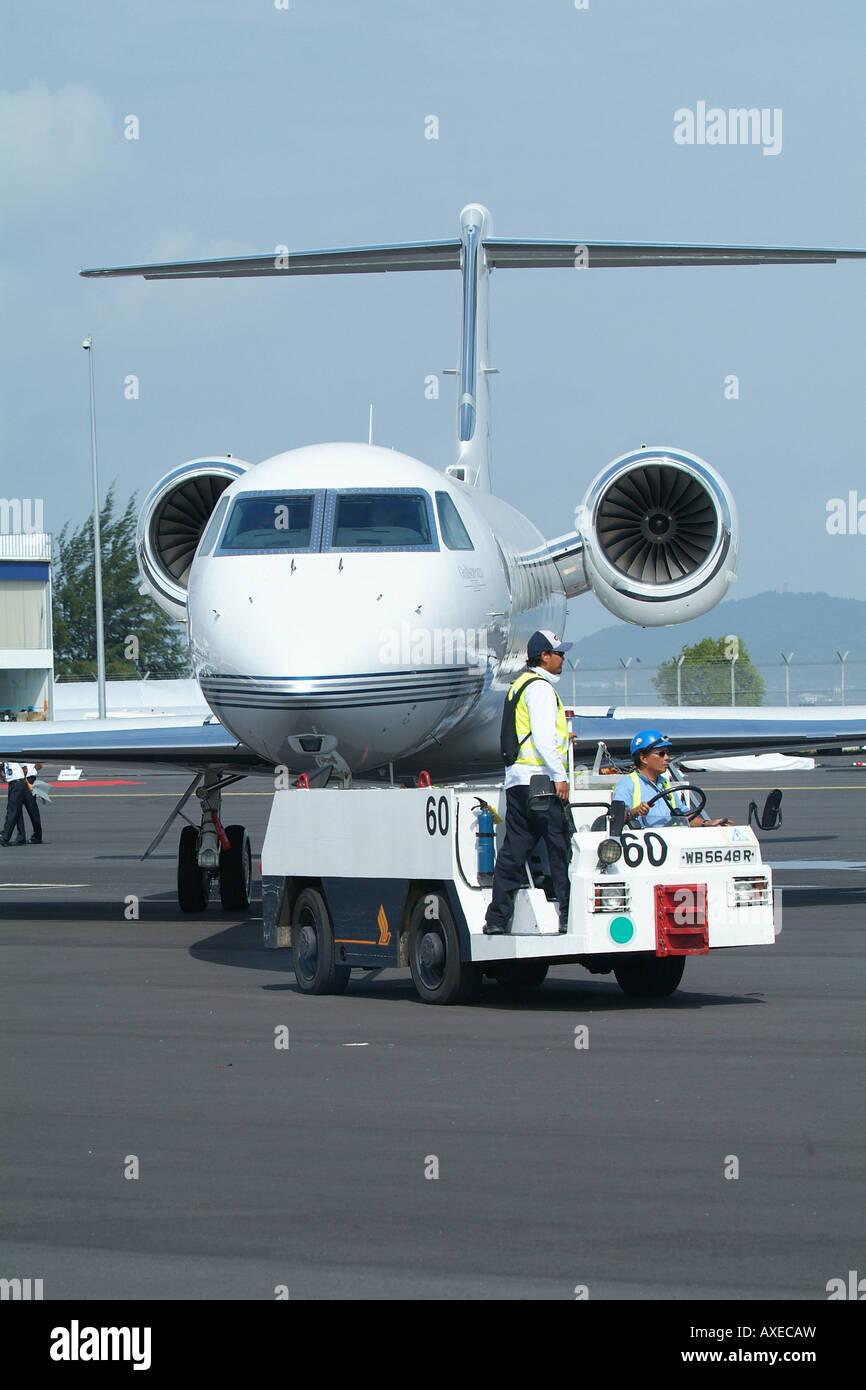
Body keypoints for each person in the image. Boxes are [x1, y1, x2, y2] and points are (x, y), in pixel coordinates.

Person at [484, 630, 574, 935]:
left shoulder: (519, 685)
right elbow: (543, 737)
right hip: (540, 782)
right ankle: (567, 912)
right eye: (558, 653)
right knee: (559, 847)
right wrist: (560, 777)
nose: (563, 658)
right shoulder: (541, 689)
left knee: (514, 849)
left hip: (518, 781)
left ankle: (497, 918)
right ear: (544, 656)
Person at [612, 730, 731, 829]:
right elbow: (615, 820)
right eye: (661, 753)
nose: (667, 758)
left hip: (669, 842)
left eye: (667, 753)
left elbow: (683, 816)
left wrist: (707, 823)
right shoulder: (628, 783)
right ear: (644, 758)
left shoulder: (664, 783)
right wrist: (635, 812)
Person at [0, 761, 29, 846]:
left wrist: (22, 779)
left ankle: (5, 836)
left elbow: (25, 769)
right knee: (17, 810)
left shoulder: (14, 756)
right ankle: (21, 837)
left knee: (12, 810)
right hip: (13, 782)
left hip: (17, 782)